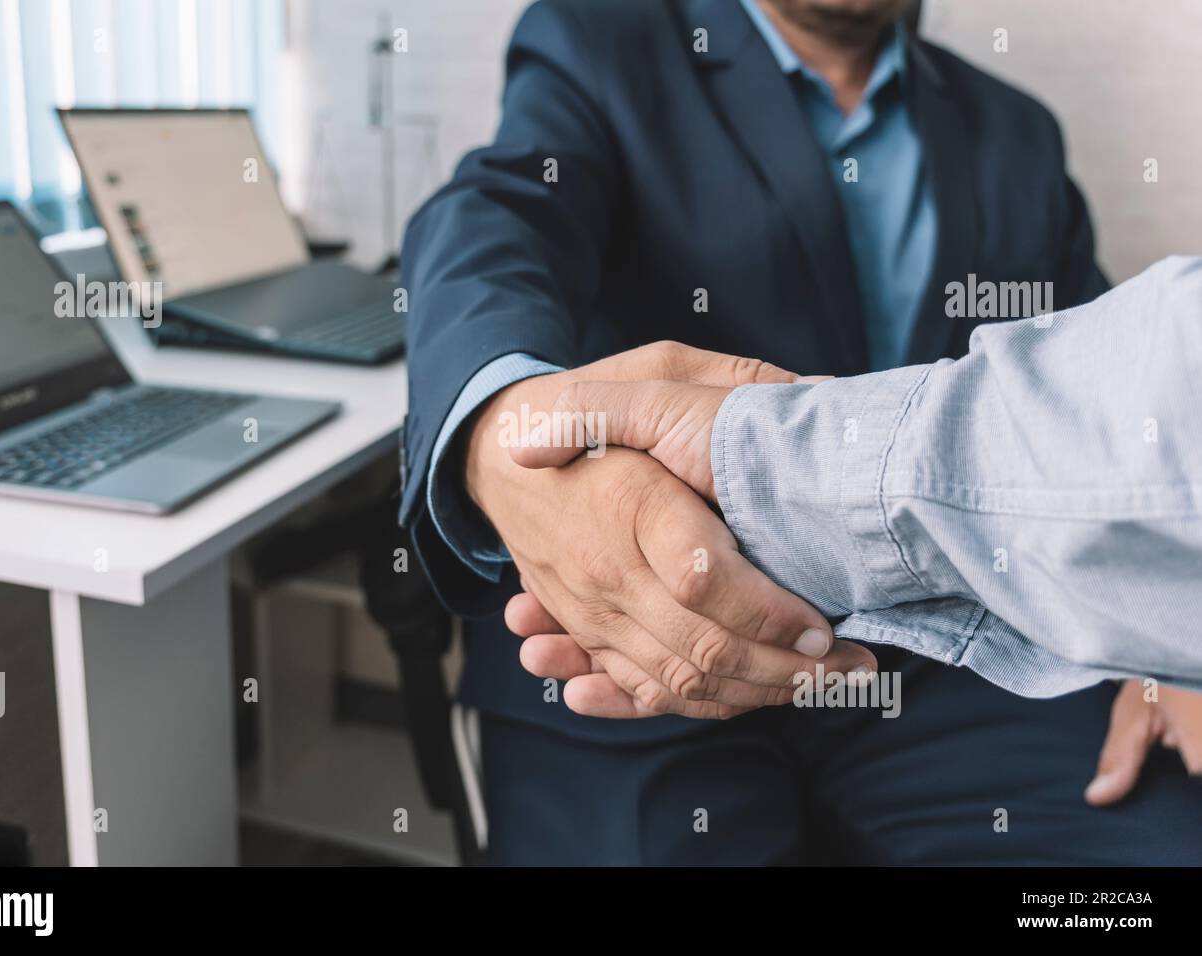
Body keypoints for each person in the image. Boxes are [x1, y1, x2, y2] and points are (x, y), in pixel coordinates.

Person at [400, 0, 1201, 863]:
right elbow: (494, 219)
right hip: (639, 631)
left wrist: (1169, 644)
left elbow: (1096, 414)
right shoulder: (601, 41)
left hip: (949, 657)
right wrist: (498, 421)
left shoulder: (1016, 133)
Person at [504, 256, 1202, 795]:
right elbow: (484, 245)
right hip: (647, 651)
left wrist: (1160, 620)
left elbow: (1095, 380)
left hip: (982, 682)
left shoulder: (1016, 130)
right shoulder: (607, 77)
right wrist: (489, 430)